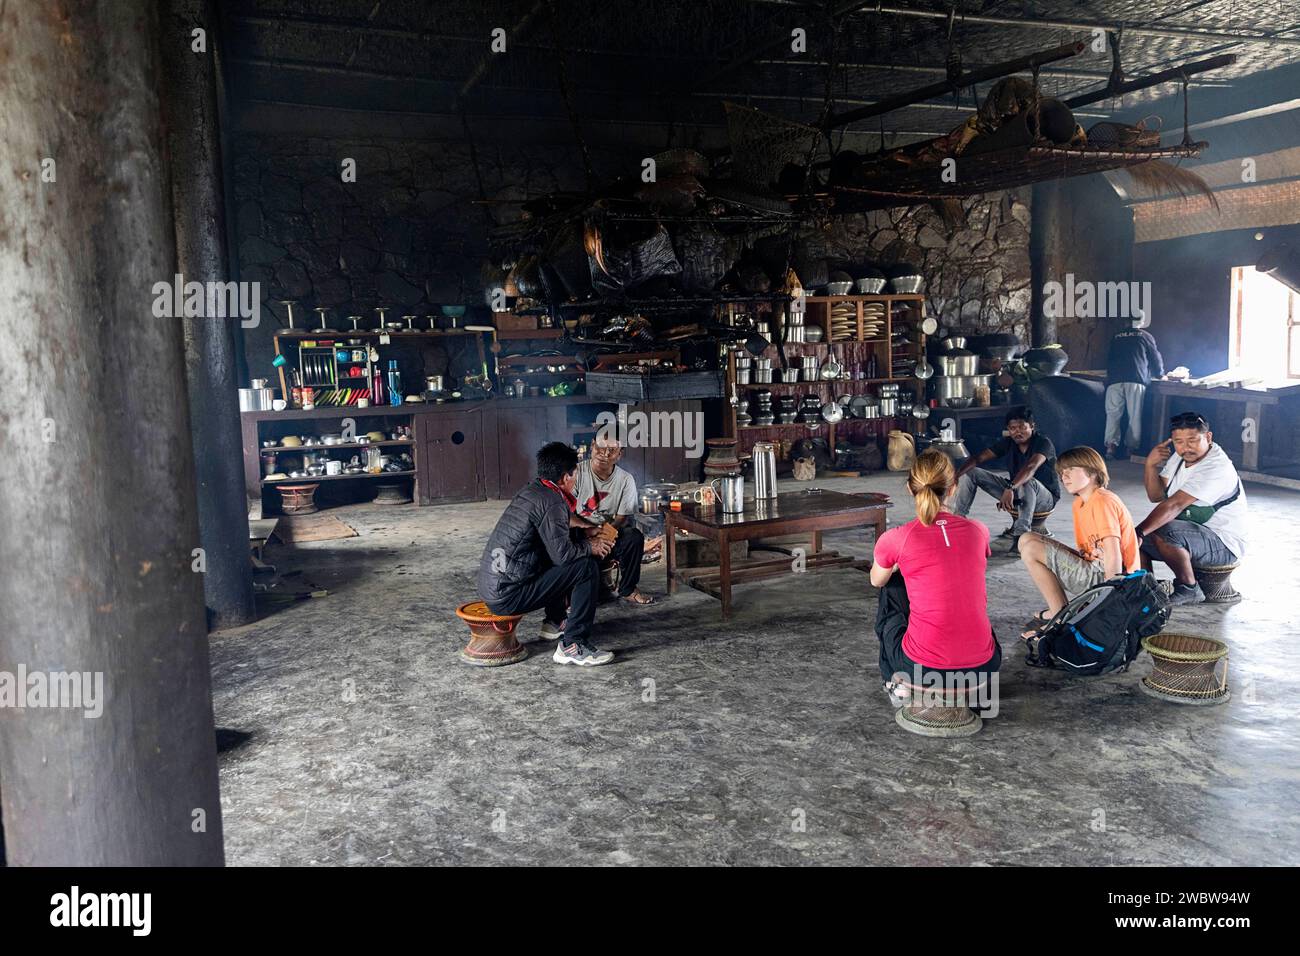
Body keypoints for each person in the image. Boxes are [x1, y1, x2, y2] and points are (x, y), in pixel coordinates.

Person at [871, 450, 1001, 696]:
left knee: (891, 584)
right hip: (984, 669)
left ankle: (894, 682)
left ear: (910, 489)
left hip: (921, 669)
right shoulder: (978, 530)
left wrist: (901, 563)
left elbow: (876, 580)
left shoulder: (897, 537)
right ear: (953, 488)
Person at [477, 441, 616, 665]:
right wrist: (591, 546)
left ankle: (555, 621)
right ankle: (573, 645)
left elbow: (560, 519)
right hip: (507, 595)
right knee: (585, 568)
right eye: (575, 474)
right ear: (565, 478)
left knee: (563, 547)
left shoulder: (535, 490)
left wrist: (585, 527)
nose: (576, 478)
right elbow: (563, 556)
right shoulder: (552, 502)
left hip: (493, 586)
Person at [1018, 446, 1140, 639]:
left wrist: (1109, 598)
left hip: (1110, 579)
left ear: (1092, 471)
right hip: (1093, 567)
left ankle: (1059, 615)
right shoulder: (1080, 503)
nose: (1063, 476)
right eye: (1061, 473)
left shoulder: (1103, 501)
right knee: (1027, 538)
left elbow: (1113, 552)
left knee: (1032, 549)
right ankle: (1061, 610)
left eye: (1070, 470)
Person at [1136, 412, 1248, 605]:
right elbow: (1156, 495)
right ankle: (1147, 590)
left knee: (1162, 530)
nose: (1186, 447)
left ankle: (1188, 588)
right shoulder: (1180, 458)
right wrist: (1150, 465)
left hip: (1224, 544)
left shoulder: (1215, 466)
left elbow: (1174, 504)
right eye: (1178, 442)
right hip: (1194, 535)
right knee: (1133, 541)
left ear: (1208, 437)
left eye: (1193, 440)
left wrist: (1139, 531)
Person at [952, 406, 1061, 554]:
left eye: (1022, 427)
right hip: (1017, 492)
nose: (1017, 432)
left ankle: (1020, 537)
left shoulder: (1043, 443)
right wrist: (955, 476)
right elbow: (979, 458)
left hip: (1045, 499)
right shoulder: (1009, 442)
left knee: (1027, 481)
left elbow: (1031, 467)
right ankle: (958, 520)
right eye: (1013, 428)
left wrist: (1010, 488)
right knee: (972, 472)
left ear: (1032, 426)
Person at [573, 436, 656, 605]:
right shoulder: (576, 473)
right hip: (580, 532)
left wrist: (603, 536)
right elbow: (565, 512)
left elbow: (622, 518)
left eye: (612, 450)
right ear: (592, 445)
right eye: (601, 447)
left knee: (634, 537)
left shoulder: (625, 480)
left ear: (620, 454)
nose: (605, 453)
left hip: (609, 533)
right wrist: (589, 533)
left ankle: (628, 589)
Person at [1104, 315, 1165, 460]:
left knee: (1112, 415)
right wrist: (1161, 374)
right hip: (1135, 379)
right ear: (1142, 321)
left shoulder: (1116, 335)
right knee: (1135, 416)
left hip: (1115, 380)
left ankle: (1110, 448)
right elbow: (1155, 357)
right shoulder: (1145, 336)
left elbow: (1110, 358)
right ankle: (1130, 449)